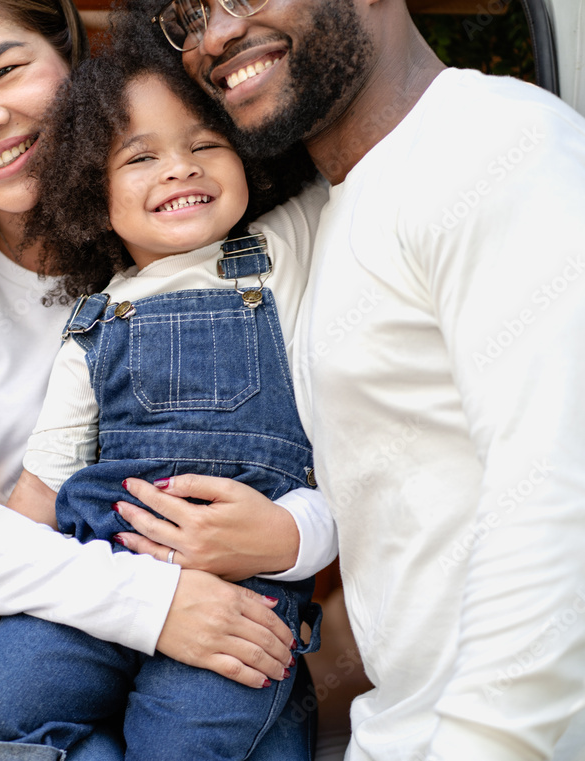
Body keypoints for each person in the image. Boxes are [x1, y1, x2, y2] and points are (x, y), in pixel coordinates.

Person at [0, 1, 337, 759]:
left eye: (6, 69)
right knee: (1, 725)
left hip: (217, 575)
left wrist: (290, 536)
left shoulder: (245, 240)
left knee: (219, 732)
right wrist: (154, 604)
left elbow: (359, 449)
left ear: (72, 56)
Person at [115, 1, 585, 759]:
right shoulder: (328, 218)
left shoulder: (501, 145)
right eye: (188, 13)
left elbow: (560, 491)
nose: (216, 35)